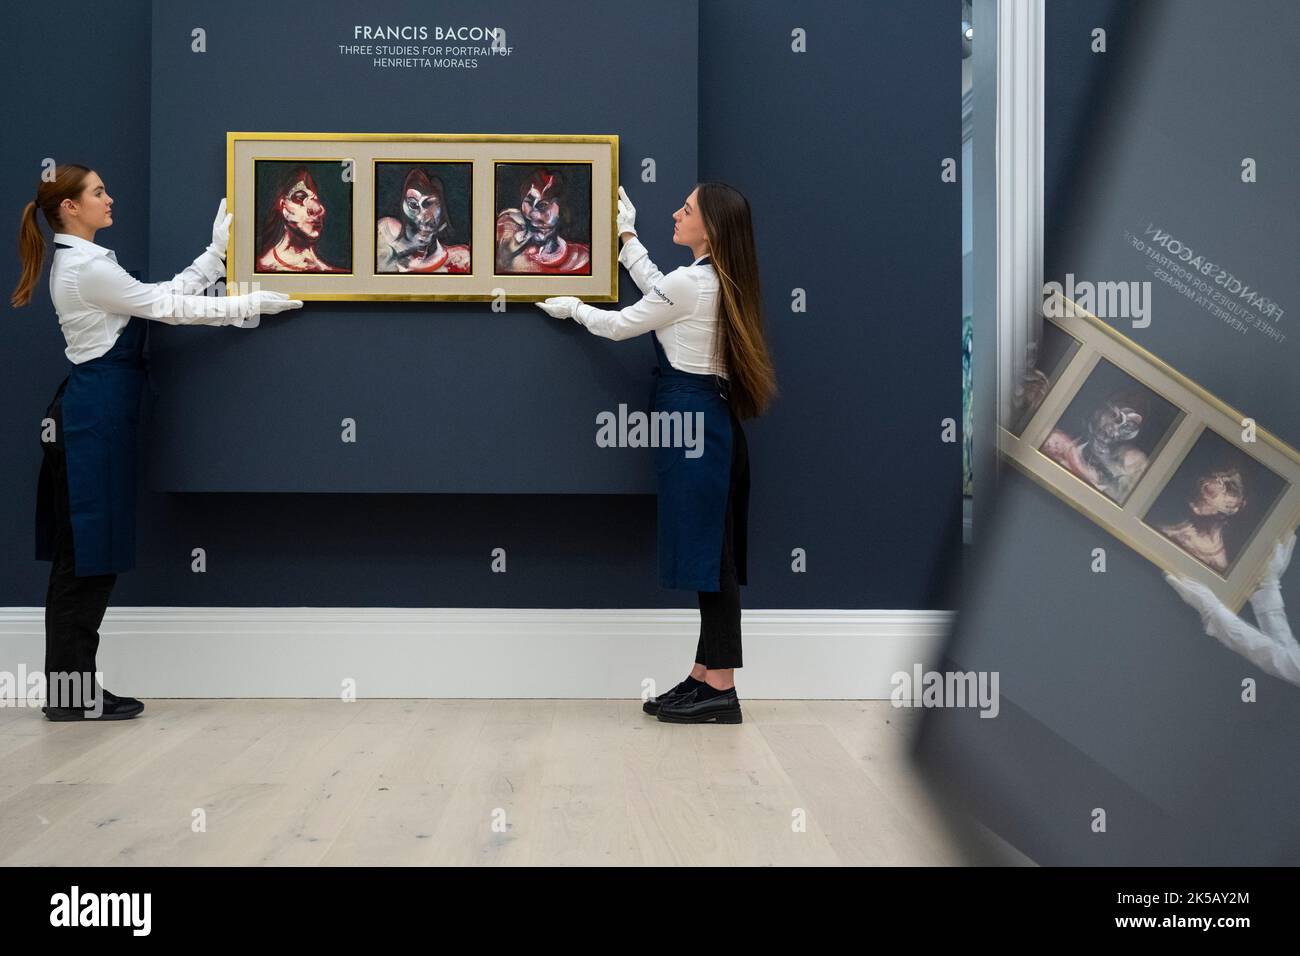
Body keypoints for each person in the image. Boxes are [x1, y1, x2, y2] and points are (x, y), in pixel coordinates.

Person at [11, 163, 302, 721]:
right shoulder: (83, 269)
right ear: (70, 207)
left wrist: (215, 257)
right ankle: (72, 695)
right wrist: (245, 305)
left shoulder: (90, 264)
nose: (108, 197)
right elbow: (168, 308)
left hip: (96, 417)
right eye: (98, 192)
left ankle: (71, 693)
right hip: (90, 421)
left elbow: (158, 297)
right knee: (84, 558)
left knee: (88, 555)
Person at [537, 182, 776, 724]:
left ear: (710, 227)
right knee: (711, 554)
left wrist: (575, 307)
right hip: (710, 425)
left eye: (686, 209)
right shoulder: (709, 279)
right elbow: (659, 291)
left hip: (695, 426)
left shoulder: (695, 283)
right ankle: (704, 676)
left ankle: (721, 688)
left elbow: (623, 324)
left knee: (712, 560)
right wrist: (627, 236)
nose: (677, 212)